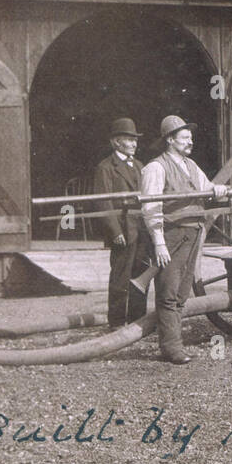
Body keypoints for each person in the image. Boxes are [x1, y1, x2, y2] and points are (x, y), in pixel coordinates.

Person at [139, 115, 228, 364]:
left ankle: (173, 343)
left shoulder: (191, 165)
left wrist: (217, 190)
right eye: (185, 137)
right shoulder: (156, 168)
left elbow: (207, 188)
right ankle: (171, 348)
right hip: (171, 236)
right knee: (168, 292)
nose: (190, 142)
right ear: (170, 140)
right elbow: (151, 208)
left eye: (191, 137)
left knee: (181, 293)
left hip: (193, 234)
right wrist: (159, 242)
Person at [92, 118, 147, 327]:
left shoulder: (140, 166)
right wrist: (115, 231)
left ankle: (138, 321)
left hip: (141, 229)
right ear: (116, 142)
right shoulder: (106, 167)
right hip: (123, 231)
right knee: (120, 277)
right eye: (129, 140)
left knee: (140, 275)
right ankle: (116, 322)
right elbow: (103, 202)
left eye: (135, 140)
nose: (134, 144)